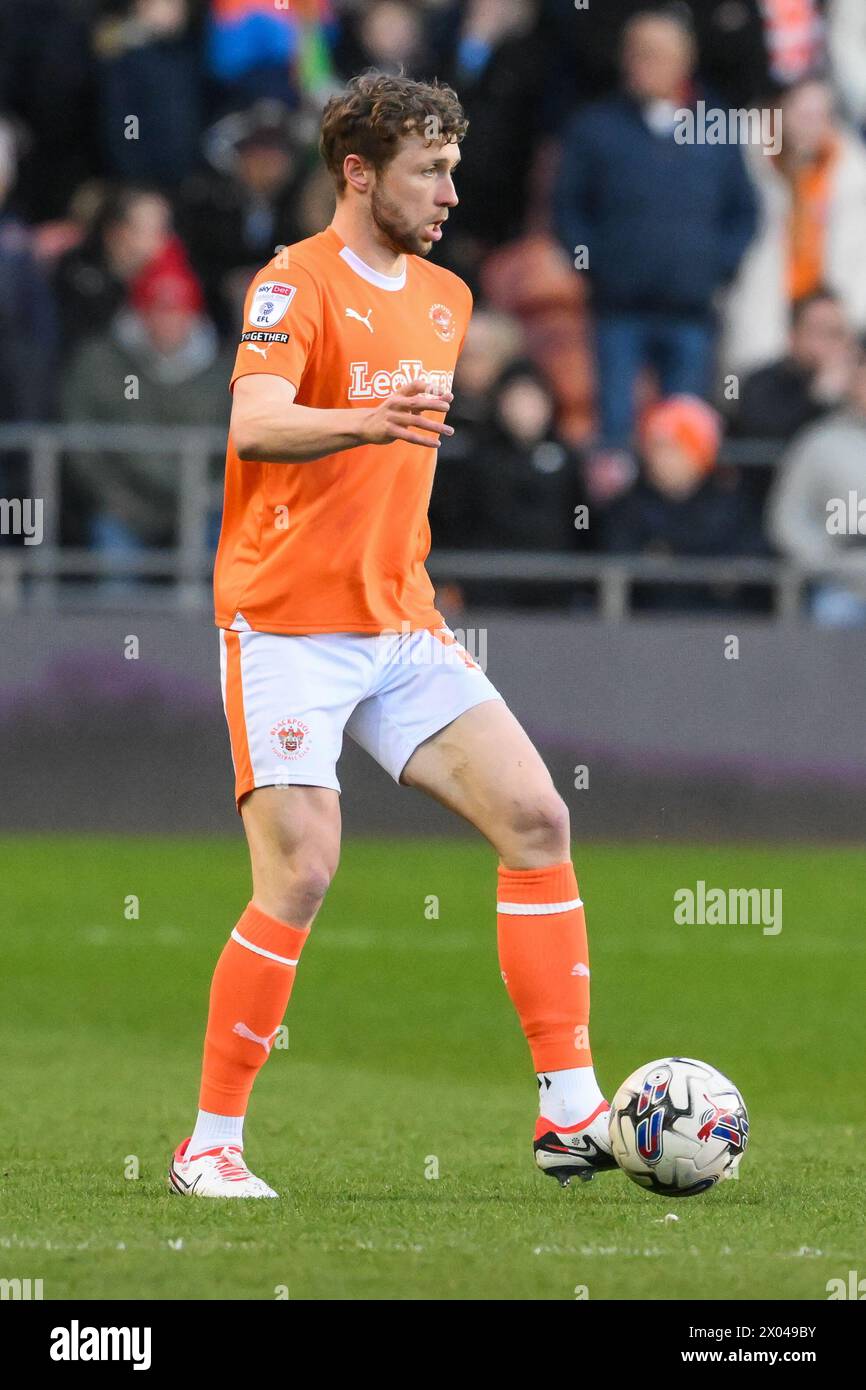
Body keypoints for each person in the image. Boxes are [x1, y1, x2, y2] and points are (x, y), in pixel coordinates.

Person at [168, 70, 616, 1199]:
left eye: (454, 167)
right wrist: (362, 418)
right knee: (304, 870)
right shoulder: (291, 286)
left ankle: (567, 1112)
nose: (449, 190)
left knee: (534, 815)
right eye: (429, 168)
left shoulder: (449, 299)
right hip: (285, 624)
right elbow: (254, 422)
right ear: (358, 173)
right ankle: (207, 1143)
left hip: (398, 620)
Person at [553, 8, 757, 451]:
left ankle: (680, 519)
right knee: (615, 433)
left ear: (685, 60)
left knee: (685, 434)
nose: (644, 64)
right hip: (617, 309)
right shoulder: (595, 127)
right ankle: (612, 515)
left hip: (692, 310)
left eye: (658, 54)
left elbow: (745, 212)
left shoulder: (716, 126)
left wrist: (716, 268)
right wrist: (596, 265)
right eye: (638, 53)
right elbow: (567, 209)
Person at [61, 241, 232, 562]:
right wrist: (118, 500)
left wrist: (208, 497)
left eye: (177, 310)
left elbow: (240, 448)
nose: (167, 323)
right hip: (124, 504)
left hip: (201, 506)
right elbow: (81, 443)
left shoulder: (225, 370)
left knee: (225, 552)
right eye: (157, 309)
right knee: (114, 554)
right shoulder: (102, 363)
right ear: (140, 312)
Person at [722, 77, 866, 377]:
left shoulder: (850, 176)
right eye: (803, 116)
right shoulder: (751, 165)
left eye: (820, 117)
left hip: (824, 312)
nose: (811, 127)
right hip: (766, 308)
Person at [602, 395, 767, 611]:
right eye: (656, 447)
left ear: (701, 453)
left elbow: (744, 569)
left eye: (675, 448)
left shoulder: (732, 504)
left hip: (720, 623)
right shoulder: (626, 506)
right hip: (645, 627)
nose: (662, 458)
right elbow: (620, 563)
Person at [767, 338, 866, 626]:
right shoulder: (819, 442)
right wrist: (830, 562)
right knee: (833, 614)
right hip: (844, 586)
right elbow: (788, 520)